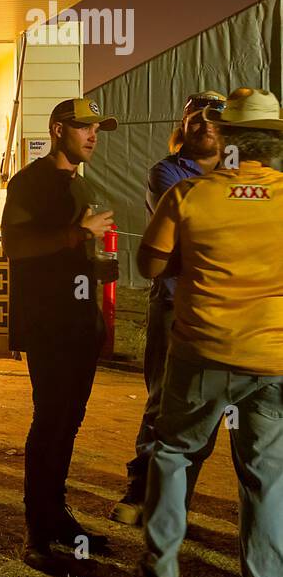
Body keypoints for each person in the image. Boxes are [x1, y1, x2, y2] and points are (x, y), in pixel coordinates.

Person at [134, 88, 283, 577]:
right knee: (265, 476)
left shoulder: (189, 195)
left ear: (229, 138)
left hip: (202, 351)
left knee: (175, 455)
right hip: (272, 357)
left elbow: (149, 264)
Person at [2, 98, 119, 570]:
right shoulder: (29, 182)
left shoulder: (80, 182)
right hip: (48, 324)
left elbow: (74, 247)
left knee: (68, 421)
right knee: (49, 422)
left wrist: (95, 262)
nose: (93, 135)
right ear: (57, 130)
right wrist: (76, 235)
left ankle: (57, 515)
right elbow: (15, 244)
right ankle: (37, 529)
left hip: (79, 323)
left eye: (97, 129)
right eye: (84, 127)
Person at [110, 90, 226, 525]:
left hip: (223, 308)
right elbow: (195, 225)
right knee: (163, 397)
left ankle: (176, 502)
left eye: (212, 118)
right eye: (194, 118)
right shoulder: (167, 172)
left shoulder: (241, 174)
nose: (203, 125)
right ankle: (140, 490)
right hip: (176, 302)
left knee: (211, 407)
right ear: (183, 126)